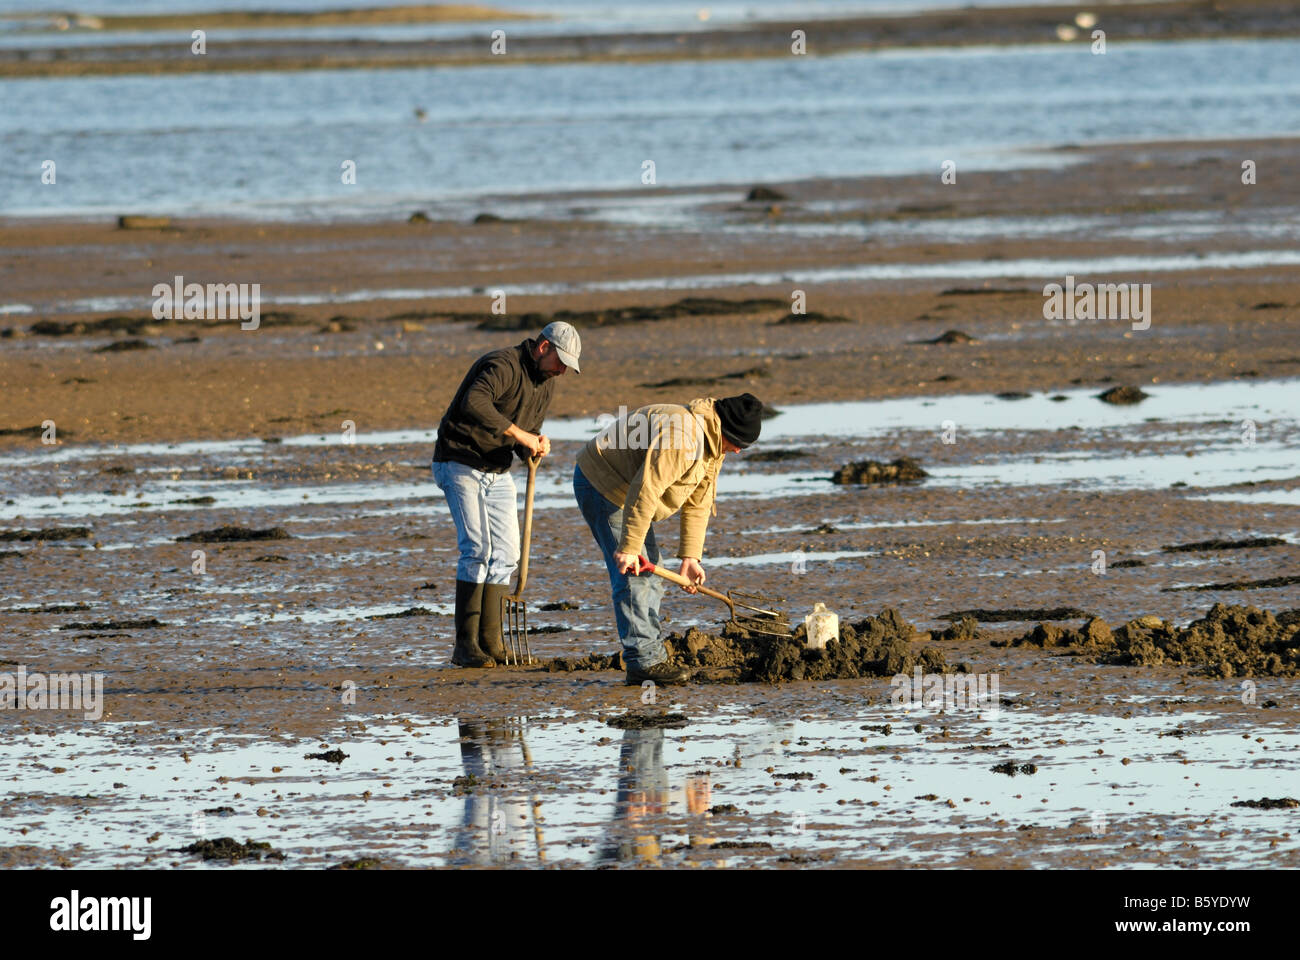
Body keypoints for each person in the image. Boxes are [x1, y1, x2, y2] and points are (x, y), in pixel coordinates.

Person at [572, 393, 764, 685]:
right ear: (727, 431)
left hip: (630, 490)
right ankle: (643, 662)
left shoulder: (713, 445)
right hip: (603, 483)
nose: (738, 452)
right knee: (634, 574)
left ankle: (650, 652)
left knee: (653, 569)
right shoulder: (683, 437)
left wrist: (690, 557)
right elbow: (646, 489)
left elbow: (699, 501)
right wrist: (629, 547)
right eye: (739, 444)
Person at [433, 321, 581, 667]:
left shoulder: (545, 384)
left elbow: (525, 437)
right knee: (477, 549)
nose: (562, 371)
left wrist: (533, 447)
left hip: (497, 470)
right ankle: (465, 646)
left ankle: (492, 642)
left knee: (507, 555)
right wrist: (521, 435)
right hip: (459, 462)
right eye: (560, 361)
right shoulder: (502, 365)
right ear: (543, 347)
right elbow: (475, 403)